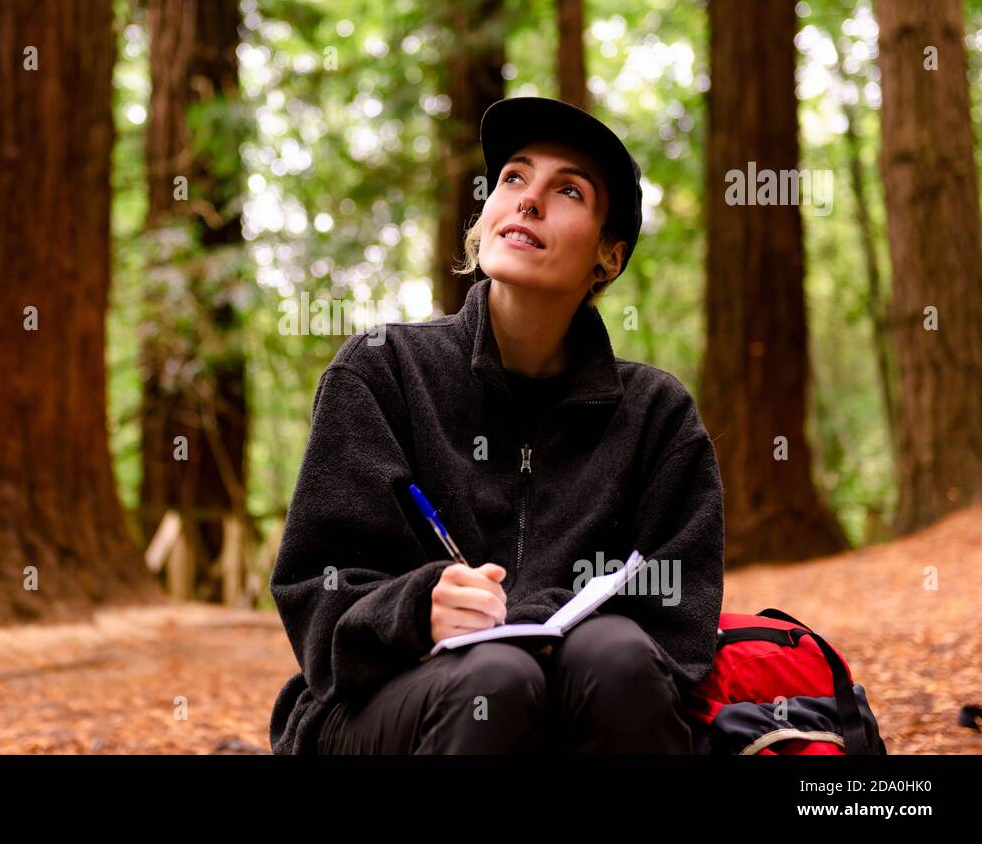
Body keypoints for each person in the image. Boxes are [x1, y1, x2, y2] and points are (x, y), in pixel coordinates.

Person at [268, 96, 725, 754]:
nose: (528, 200)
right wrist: (416, 609)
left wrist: (544, 633)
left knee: (617, 658)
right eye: (514, 177)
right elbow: (316, 591)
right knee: (496, 678)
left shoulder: (657, 415)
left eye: (567, 189)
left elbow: (681, 618)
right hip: (374, 709)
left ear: (609, 256)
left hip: (577, 700)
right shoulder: (382, 372)